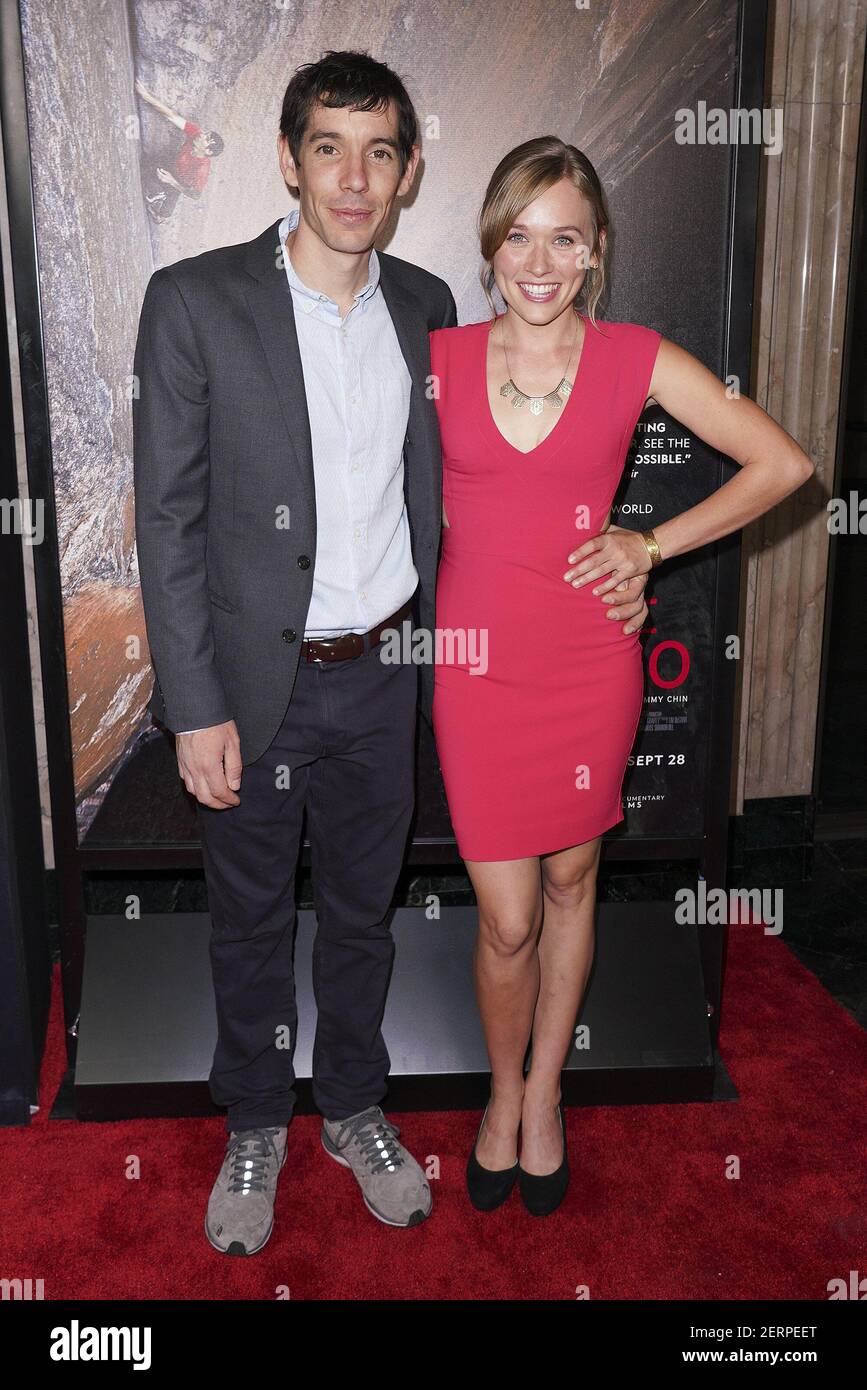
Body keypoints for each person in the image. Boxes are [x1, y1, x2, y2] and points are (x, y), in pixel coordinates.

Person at [429, 136, 814, 1217]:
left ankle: (540, 1099)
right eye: (519, 235)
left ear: (596, 252)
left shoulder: (635, 357)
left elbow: (783, 463)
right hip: (478, 672)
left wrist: (649, 546)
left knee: (571, 886)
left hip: (590, 664)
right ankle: (499, 1091)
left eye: (564, 236)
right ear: (492, 244)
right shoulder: (442, 356)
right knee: (505, 918)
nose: (539, 260)